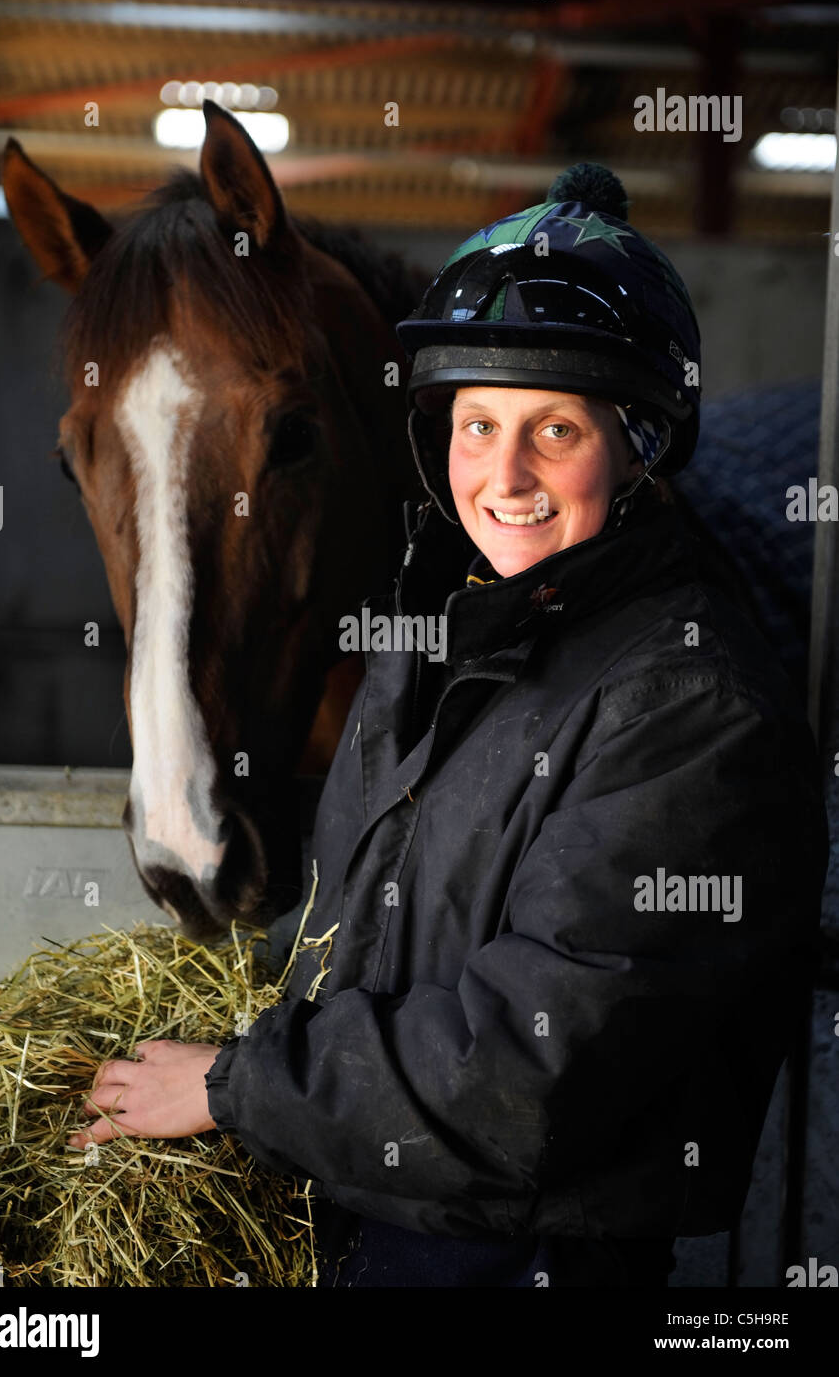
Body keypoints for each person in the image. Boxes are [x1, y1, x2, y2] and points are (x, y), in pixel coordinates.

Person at [69, 164, 829, 1288]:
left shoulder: (687, 705)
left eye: (555, 430)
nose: (503, 476)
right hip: (379, 1215)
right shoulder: (434, 635)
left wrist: (235, 1084)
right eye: (477, 425)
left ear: (641, 447)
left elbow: (536, 1068)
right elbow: (371, 939)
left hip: (526, 1258)